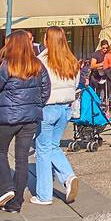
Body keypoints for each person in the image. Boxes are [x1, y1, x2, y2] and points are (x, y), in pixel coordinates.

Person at [0, 30, 50, 212]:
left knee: (0, 151)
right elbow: (46, 90)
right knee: (21, 159)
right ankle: (16, 203)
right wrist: (35, 106)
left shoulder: (8, 65)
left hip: (8, 118)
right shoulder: (37, 65)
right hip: (30, 119)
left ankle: (6, 188)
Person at [33, 26, 80, 205]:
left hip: (47, 107)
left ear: (47, 40)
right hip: (66, 108)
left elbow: (37, 84)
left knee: (43, 150)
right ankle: (68, 177)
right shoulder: (72, 60)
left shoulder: (41, 60)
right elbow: (76, 84)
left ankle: (44, 195)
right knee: (53, 146)